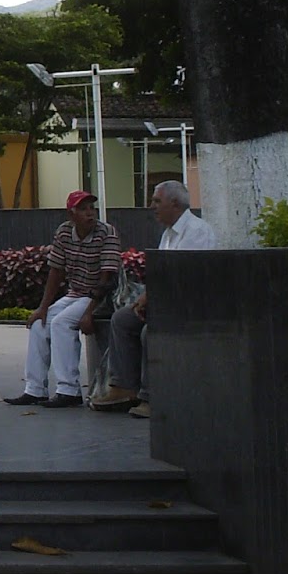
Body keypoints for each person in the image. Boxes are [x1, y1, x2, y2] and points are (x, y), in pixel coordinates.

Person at [92, 179, 217, 418]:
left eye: (157, 201)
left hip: (191, 307)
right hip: (167, 303)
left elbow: (184, 278)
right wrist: (144, 300)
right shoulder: (169, 234)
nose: (152, 206)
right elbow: (160, 274)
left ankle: (153, 397)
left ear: (175, 203)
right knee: (122, 319)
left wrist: (149, 300)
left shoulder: (197, 232)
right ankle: (124, 387)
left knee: (150, 331)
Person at [4, 190, 122, 408]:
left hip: (102, 296)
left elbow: (107, 279)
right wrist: (42, 308)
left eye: (92, 208)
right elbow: (56, 271)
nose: (90, 213)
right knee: (40, 324)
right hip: (75, 294)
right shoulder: (64, 232)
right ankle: (35, 389)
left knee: (61, 323)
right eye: (84, 209)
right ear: (72, 214)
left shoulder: (107, 233)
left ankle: (69, 389)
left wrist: (89, 313)